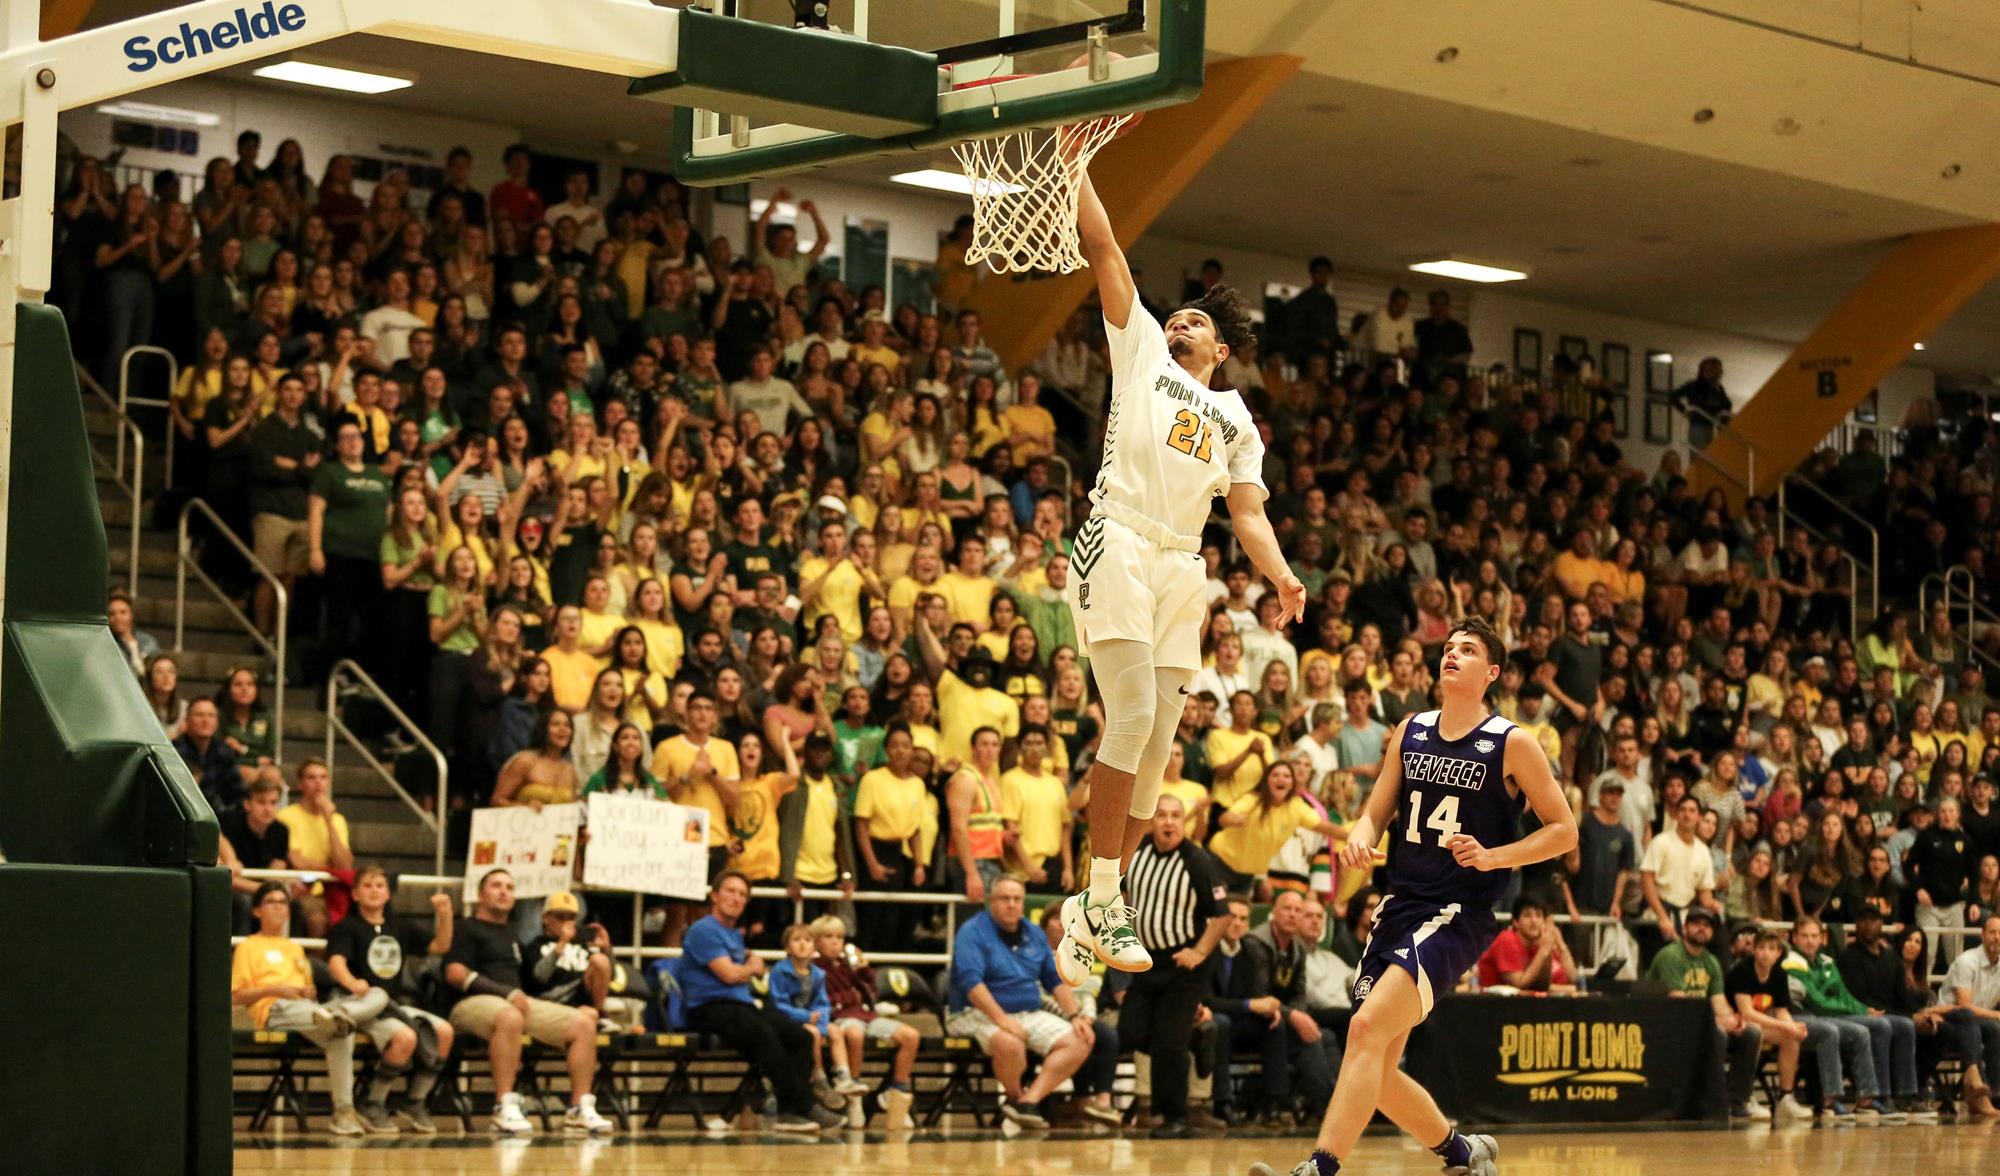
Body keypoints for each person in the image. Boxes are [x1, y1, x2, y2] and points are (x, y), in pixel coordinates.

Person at [1057, 164, 1307, 984]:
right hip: (1119, 536)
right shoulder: (1140, 354)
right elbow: (1104, 248)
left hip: (1182, 563)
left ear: (1221, 351)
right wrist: (1077, 169)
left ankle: (1093, 904)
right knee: (1129, 714)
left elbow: (1248, 516)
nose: (1179, 324)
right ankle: (1102, 897)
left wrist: (1281, 577)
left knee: (1158, 751)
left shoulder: (1236, 418)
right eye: (1175, 317)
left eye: (1194, 321)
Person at [1252, 617, 1574, 1176]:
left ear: (1492, 672)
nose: (1452, 655)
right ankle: (1461, 1153)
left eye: (1467, 650)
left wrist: (1494, 856)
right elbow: (1377, 809)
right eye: (1448, 647)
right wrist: (1360, 836)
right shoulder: (1411, 729)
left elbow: (1564, 831)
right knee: (1374, 1067)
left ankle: (1317, 1169)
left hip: (1457, 913)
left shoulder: (1512, 742)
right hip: (1400, 904)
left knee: (1363, 1031)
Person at [441, 869, 614, 1135]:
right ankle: (504, 1106)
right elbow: (454, 973)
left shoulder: (512, 935)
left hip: (517, 1003)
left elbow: (534, 982)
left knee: (582, 1023)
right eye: (496, 885)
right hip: (469, 1003)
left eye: (509, 887)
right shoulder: (465, 927)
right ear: (480, 894)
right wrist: (506, 993)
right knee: (510, 1016)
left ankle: (579, 1108)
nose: (504, 891)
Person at [678, 871, 842, 1132]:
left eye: (742, 894)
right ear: (715, 896)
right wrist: (752, 968)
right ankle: (804, 1105)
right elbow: (729, 975)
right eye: (730, 891)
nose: (736, 898)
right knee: (763, 1034)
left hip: (740, 1005)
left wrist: (750, 961)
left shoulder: (733, 934)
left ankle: (789, 1113)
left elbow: (741, 964)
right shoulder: (703, 930)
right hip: (708, 1007)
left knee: (798, 1035)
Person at [231, 881, 385, 1136]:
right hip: (276, 1009)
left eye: (283, 902)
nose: (278, 907)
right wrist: (276, 990)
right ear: (257, 911)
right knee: (338, 1028)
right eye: (271, 902)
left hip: (308, 1010)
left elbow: (307, 988)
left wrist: (308, 991)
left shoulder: (295, 948)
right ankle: (345, 1108)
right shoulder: (248, 947)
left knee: (375, 997)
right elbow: (235, 996)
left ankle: (343, 1114)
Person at [1119, 793, 1231, 1139]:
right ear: (1151, 821)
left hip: (1184, 967)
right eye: (1162, 815)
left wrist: (1198, 951)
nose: (1169, 822)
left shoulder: (1198, 860)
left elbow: (1222, 916)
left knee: (1168, 1043)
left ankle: (1174, 1117)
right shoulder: (1137, 853)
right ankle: (1196, 1037)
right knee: (1131, 1031)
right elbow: (1123, 894)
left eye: (1175, 816)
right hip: (1146, 962)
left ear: (1184, 822)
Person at [945, 876, 1096, 1128]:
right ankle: (1015, 1098)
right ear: (991, 901)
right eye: (1005, 898)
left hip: (1027, 1011)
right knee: (1010, 1042)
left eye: (1017, 899)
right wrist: (1002, 1020)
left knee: (1081, 1038)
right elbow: (972, 985)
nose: (1012, 904)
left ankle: (1028, 1102)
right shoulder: (972, 932)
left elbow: (1053, 980)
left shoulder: (1033, 933)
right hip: (973, 1012)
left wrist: (1074, 1017)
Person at [324, 867, 457, 1133]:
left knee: (444, 1032)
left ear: (388, 893)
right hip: (360, 1005)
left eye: (380, 885)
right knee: (405, 1037)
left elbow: (439, 946)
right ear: (355, 893)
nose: (374, 890)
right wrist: (352, 982)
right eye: (367, 885)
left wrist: (445, 914)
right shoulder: (347, 927)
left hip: (392, 1005)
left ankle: (415, 1102)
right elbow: (336, 961)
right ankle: (373, 1104)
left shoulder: (399, 926)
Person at [1642, 907, 1767, 1119]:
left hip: (1698, 1021)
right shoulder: (1671, 956)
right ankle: (1710, 1100)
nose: (1702, 928)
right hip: (1667, 1024)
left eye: (1707, 925)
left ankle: (1737, 1101)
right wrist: (1717, 1022)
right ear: (1684, 929)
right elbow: (1679, 1002)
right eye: (1696, 924)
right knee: (1717, 1033)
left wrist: (1733, 1021)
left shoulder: (1710, 961)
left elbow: (1718, 1000)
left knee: (1751, 1033)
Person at [812, 914, 921, 1125]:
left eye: (839, 937)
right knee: (855, 1034)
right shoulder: (814, 969)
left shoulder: (847, 965)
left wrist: (864, 971)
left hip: (866, 1015)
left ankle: (896, 1090)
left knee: (911, 1036)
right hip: (840, 1018)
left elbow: (871, 994)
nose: (835, 942)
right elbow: (824, 1001)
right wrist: (851, 997)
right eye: (828, 937)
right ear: (816, 941)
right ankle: (854, 1096)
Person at [1725, 930, 1819, 1122]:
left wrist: (1793, 1027)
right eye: (1761, 948)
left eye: (1771, 949)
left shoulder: (1778, 974)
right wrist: (1785, 1026)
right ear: (1753, 950)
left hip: (1758, 1025)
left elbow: (1781, 1010)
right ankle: (1746, 1096)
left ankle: (1785, 1099)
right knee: (1756, 1031)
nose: (1765, 953)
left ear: (1778, 953)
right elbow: (1747, 1013)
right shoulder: (1742, 971)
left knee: (1791, 1037)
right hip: (1734, 1026)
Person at [769, 922, 863, 1105]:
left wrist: (821, 1025)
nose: (802, 944)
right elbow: (778, 1004)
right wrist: (805, 1017)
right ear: (787, 947)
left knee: (835, 1030)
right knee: (812, 1034)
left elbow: (822, 1004)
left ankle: (843, 1077)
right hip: (788, 1020)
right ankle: (819, 1078)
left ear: (814, 947)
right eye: (797, 940)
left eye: (807, 940)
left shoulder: (818, 974)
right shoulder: (780, 971)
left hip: (813, 1020)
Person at [1473, 894, 1576, 993]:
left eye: (1538, 915)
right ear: (1516, 922)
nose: (1534, 921)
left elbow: (1543, 985)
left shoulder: (1537, 943)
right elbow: (1519, 984)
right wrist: (1544, 951)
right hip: (1491, 1001)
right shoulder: (1507, 940)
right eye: (1527, 915)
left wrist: (1560, 943)